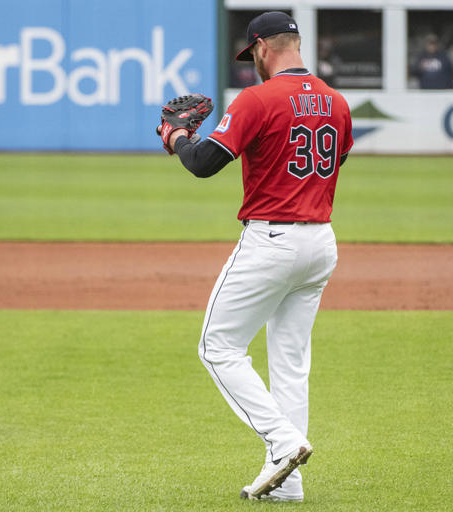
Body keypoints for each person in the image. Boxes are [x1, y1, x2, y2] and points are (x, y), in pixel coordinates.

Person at [159, 11, 352, 502]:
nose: (252, 64)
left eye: (253, 55)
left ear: (264, 47)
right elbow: (336, 160)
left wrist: (179, 137)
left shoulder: (257, 98)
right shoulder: (336, 101)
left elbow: (204, 164)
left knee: (217, 347)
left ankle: (284, 442)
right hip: (320, 240)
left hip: (272, 240)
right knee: (289, 361)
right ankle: (288, 484)